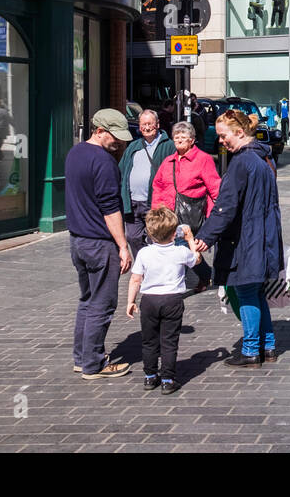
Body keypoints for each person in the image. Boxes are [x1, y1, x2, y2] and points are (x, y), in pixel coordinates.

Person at [195, 110, 285, 367]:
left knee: (246, 291)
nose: (221, 141)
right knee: (256, 293)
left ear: (239, 132)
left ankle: (249, 350)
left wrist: (205, 237)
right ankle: (267, 347)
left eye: (224, 136)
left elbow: (225, 206)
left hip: (246, 239)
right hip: (264, 236)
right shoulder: (264, 158)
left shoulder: (241, 163)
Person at [67, 108, 135, 379]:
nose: (118, 143)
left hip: (78, 240)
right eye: (114, 137)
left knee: (87, 300)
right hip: (99, 242)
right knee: (102, 303)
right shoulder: (104, 162)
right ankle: (93, 364)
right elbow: (110, 209)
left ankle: (82, 358)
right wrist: (122, 245)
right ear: (99, 130)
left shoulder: (75, 154)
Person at [126, 207, 200, 395]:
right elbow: (197, 260)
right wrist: (190, 239)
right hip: (173, 300)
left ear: (150, 233)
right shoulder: (180, 252)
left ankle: (150, 376)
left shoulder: (144, 253)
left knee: (149, 341)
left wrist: (130, 301)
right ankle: (167, 379)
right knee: (169, 341)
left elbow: (135, 279)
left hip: (149, 301)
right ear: (174, 232)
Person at [151, 120, 221, 291]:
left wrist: (215, 216)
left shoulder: (203, 160)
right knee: (178, 247)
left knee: (182, 246)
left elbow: (215, 188)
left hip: (191, 213)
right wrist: (156, 210)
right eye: (176, 136)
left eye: (183, 136)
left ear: (192, 140)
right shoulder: (168, 161)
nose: (179, 139)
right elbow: (158, 185)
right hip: (168, 214)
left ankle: (195, 278)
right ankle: (203, 276)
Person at [118, 109, 170, 258]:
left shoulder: (168, 146)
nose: (146, 128)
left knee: (156, 238)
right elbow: (121, 171)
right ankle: (145, 266)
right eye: (143, 125)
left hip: (154, 203)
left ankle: (156, 270)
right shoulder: (133, 146)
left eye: (150, 124)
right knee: (132, 237)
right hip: (132, 203)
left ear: (158, 124)